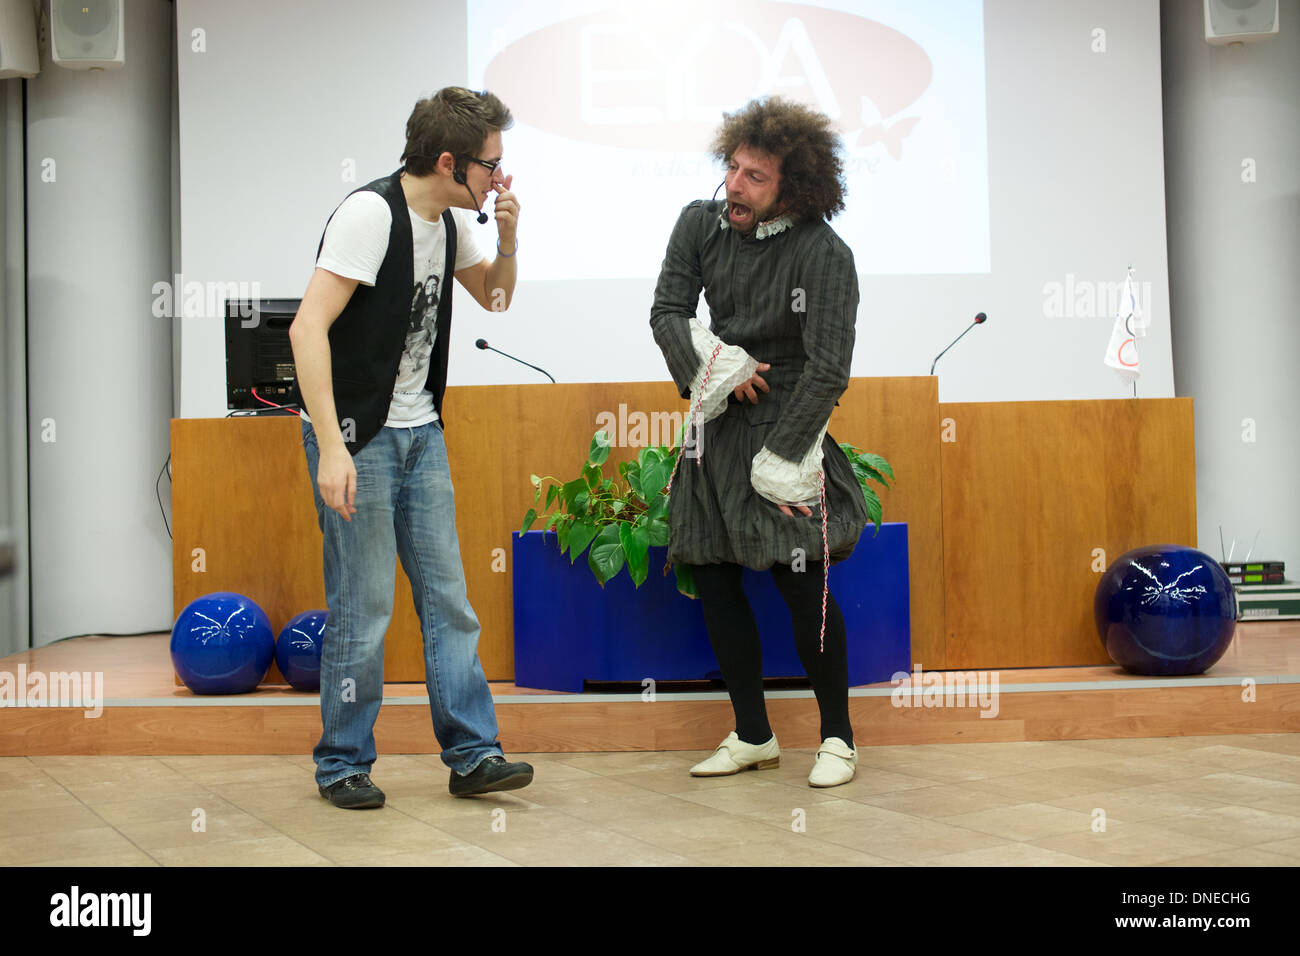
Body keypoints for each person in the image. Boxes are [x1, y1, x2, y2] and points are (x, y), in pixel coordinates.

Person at [290, 88, 533, 808]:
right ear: (451, 161)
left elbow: (495, 300)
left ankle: (472, 753)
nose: (499, 180)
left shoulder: (453, 225)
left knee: (447, 600)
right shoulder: (371, 215)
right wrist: (332, 448)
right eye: (492, 166)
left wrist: (511, 243)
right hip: (358, 438)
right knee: (362, 609)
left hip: (421, 432)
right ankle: (342, 764)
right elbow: (307, 330)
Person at [650, 97, 869, 788]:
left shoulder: (825, 253)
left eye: (755, 176)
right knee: (714, 581)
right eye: (733, 169)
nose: (735, 186)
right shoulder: (699, 223)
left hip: (791, 428)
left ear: (793, 189)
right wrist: (722, 366)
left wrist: (784, 461)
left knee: (804, 589)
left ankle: (838, 739)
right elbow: (668, 313)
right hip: (716, 420)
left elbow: (830, 365)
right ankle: (753, 734)